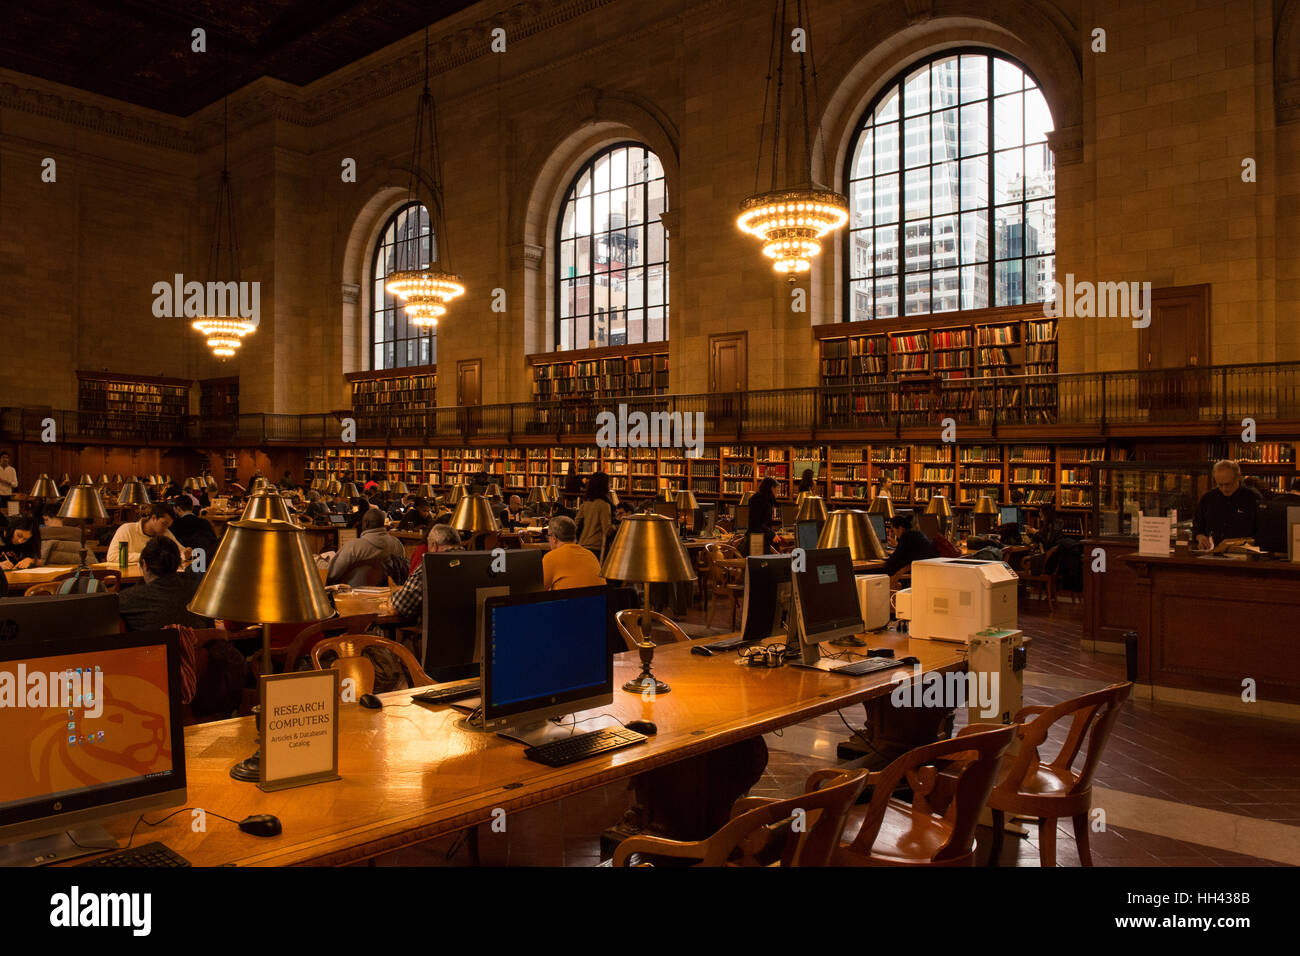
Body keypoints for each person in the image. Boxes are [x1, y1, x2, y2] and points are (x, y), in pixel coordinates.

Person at [118, 537, 213, 632]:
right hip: (197, 645)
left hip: (153, 646)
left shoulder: (129, 599)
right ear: (178, 563)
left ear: (144, 565)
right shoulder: (200, 594)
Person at [392, 525, 464, 621]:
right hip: (474, 633)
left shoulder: (430, 566)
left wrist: (390, 599)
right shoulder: (474, 561)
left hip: (436, 633)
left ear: (434, 546)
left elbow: (397, 607)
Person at [327, 507, 407, 586]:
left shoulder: (354, 547)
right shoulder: (397, 544)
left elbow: (331, 574)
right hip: (389, 595)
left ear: (366, 524)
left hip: (353, 594)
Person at [1192, 460, 1259, 550]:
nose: (1224, 489)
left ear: (1238, 478)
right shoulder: (1208, 498)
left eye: (1228, 484)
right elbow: (1197, 527)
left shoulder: (1252, 498)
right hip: (1212, 553)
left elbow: (1262, 532)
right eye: (1220, 484)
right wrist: (1200, 537)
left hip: (1244, 553)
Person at [107, 502, 185, 564]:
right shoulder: (128, 530)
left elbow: (180, 551)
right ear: (153, 518)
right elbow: (113, 556)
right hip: (129, 579)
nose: (166, 528)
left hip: (155, 579)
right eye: (164, 524)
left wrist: (185, 554)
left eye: (168, 526)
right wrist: (146, 557)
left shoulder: (165, 533)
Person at [543, 516, 606, 590]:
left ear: (554, 538)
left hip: (571, 601)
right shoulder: (590, 555)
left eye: (549, 536)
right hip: (600, 600)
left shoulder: (551, 558)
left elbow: (536, 589)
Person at [883, 513, 940, 578]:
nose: (894, 534)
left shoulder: (905, 536)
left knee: (882, 570)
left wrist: (884, 558)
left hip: (916, 571)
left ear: (900, 528)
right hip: (929, 570)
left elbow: (894, 559)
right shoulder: (918, 533)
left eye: (893, 530)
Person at [575, 471, 614, 559]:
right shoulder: (604, 505)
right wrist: (617, 527)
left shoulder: (586, 503)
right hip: (596, 546)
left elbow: (576, 522)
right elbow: (607, 529)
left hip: (582, 543)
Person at [745, 477, 780, 555]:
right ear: (771, 488)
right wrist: (772, 534)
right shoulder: (760, 501)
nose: (777, 493)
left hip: (761, 537)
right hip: (757, 540)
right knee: (760, 564)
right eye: (777, 490)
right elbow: (757, 523)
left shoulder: (764, 500)